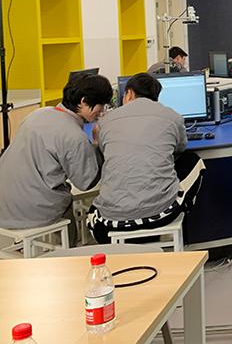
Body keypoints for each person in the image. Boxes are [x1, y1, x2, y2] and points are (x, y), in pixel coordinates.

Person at [87, 73, 205, 244]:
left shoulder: (105, 121)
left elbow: (104, 151)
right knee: (192, 160)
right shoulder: (174, 117)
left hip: (110, 221)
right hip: (161, 215)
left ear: (129, 93)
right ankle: (184, 215)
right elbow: (180, 148)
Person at [0, 73, 112, 245]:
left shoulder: (37, 114)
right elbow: (86, 182)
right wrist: (98, 145)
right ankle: (69, 253)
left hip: (5, 204)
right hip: (32, 211)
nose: (102, 111)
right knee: (72, 203)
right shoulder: (74, 136)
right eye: (101, 105)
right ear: (83, 101)